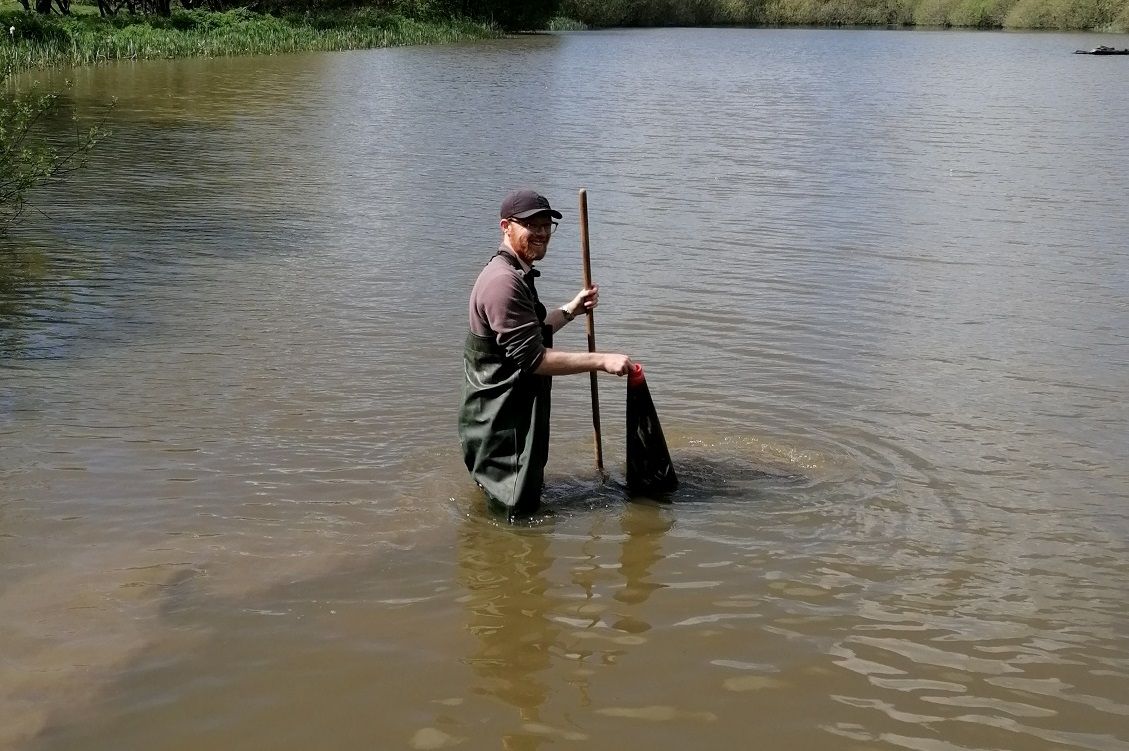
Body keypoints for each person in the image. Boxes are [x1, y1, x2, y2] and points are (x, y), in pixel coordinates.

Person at [459, 189, 632, 520]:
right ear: (506, 226)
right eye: (530, 225)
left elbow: (531, 330)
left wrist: (570, 310)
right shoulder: (502, 283)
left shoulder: (515, 273)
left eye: (545, 225)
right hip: (500, 426)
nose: (540, 233)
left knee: (516, 505)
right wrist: (602, 360)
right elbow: (534, 359)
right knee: (515, 518)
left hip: (509, 419)